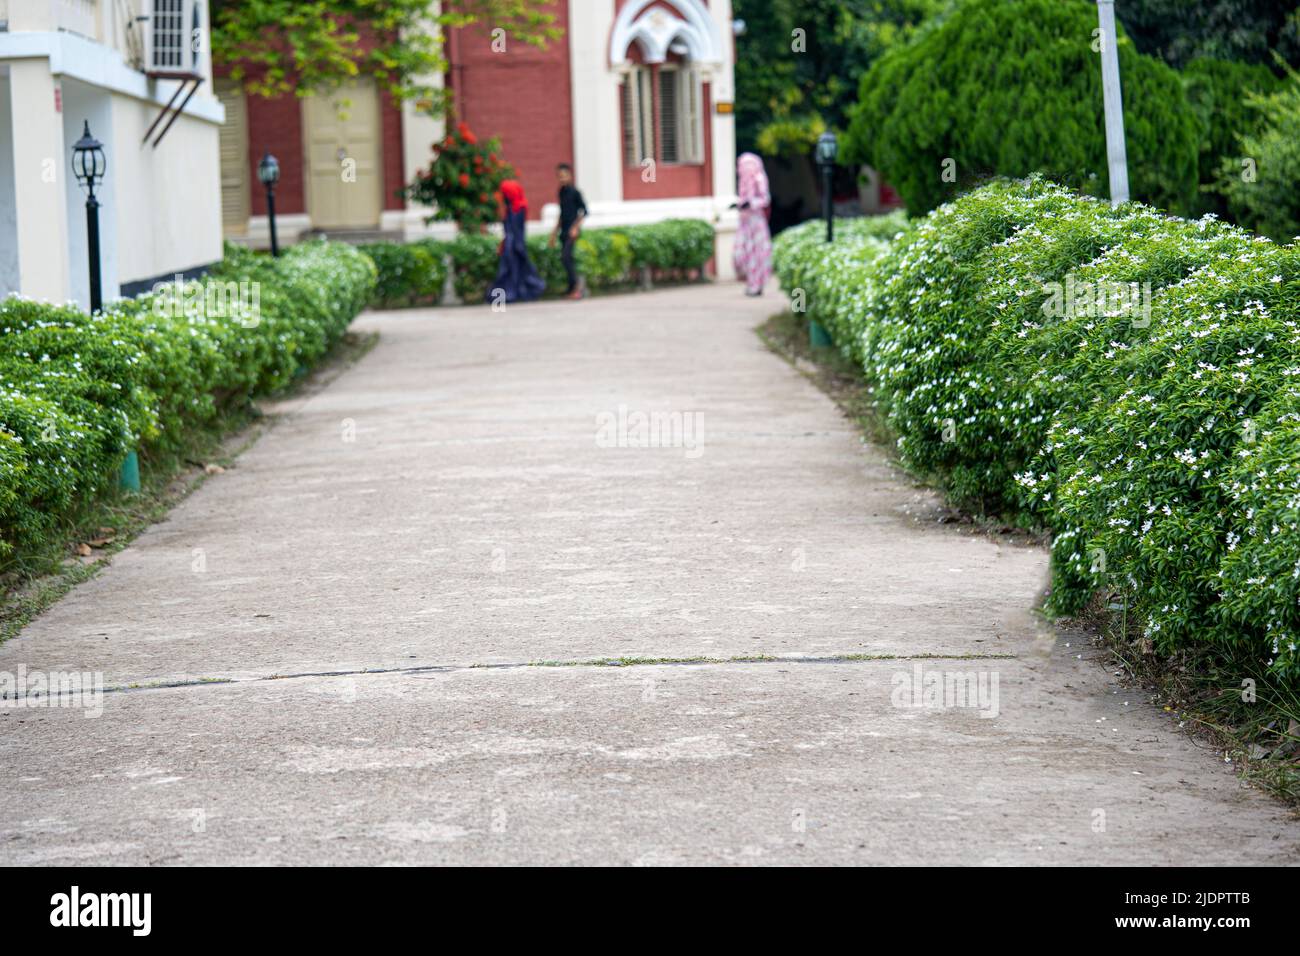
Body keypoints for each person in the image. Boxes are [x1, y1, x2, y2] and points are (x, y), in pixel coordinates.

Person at [487, 179, 545, 304]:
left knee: (512, 272)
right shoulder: (511, 208)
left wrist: (514, 246)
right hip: (510, 245)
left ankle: (510, 295)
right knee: (509, 272)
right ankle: (507, 296)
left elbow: (516, 231)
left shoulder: (518, 208)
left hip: (514, 246)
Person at [734, 152, 773, 297]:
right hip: (745, 221)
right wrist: (739, 204)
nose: (743, 168)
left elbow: (765, 199)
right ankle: (751, 283)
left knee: (757, 253)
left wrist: (751, 204)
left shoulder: (759, 178)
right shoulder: (743, 181)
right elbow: (744, 198)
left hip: (756, 221)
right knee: (744, 253)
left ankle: (757, 285)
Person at [548, 163, 588, 299]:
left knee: (566, 257)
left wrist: (575, 227)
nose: (562, 178)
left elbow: (585, 211)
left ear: (570, 176)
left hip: (572, 231)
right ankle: (571, 288)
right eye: (559, 176)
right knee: (566, 259)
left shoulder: (575, 192)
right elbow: (562, 213)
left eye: (564, 176)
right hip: (563, 231)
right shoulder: (561, 192)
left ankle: (577, 288)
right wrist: (554, 233)